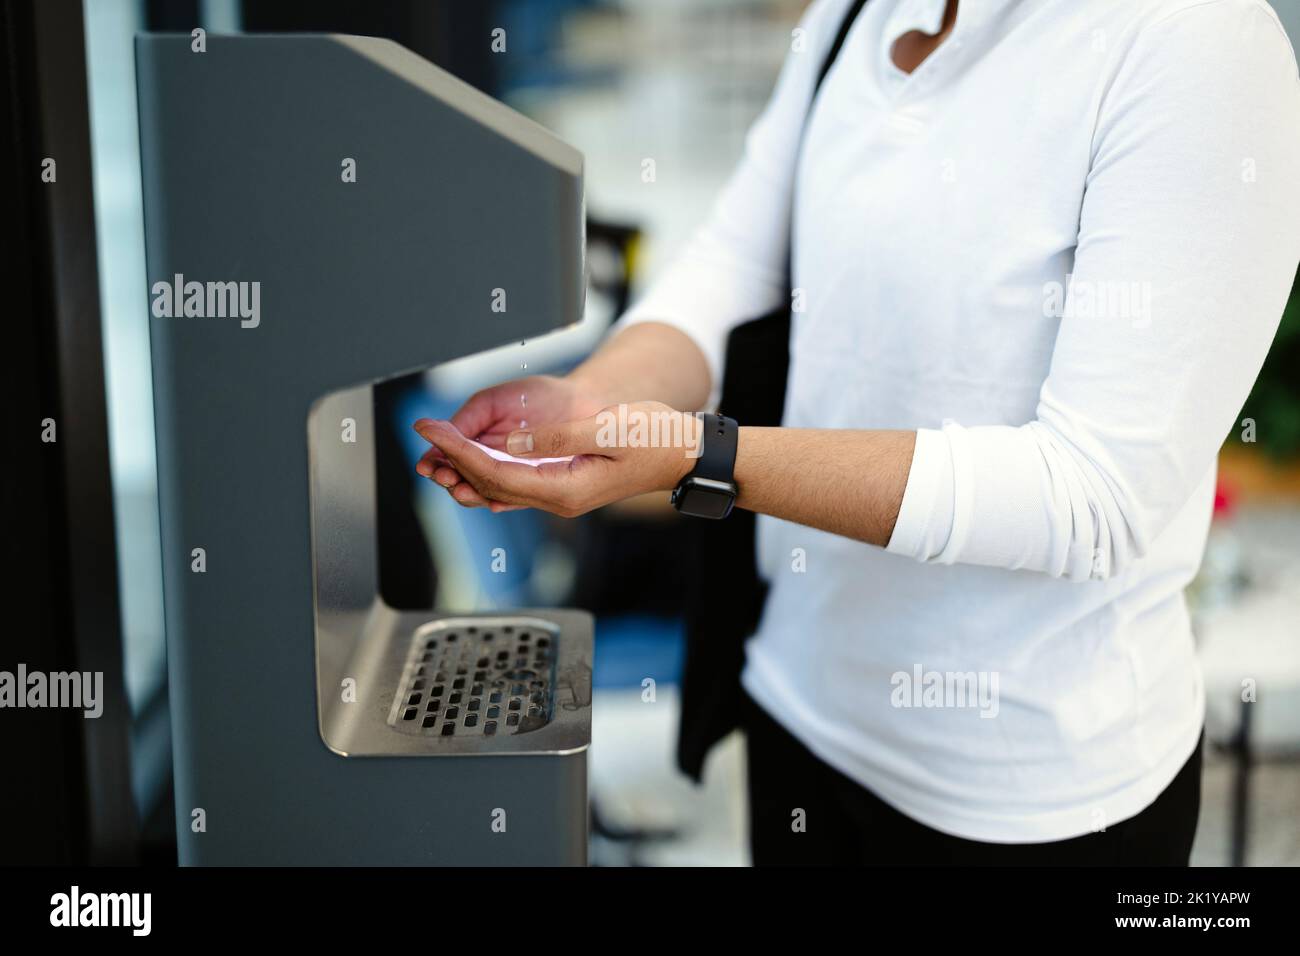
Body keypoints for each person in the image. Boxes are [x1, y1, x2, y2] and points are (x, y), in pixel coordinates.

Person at [413, 0, 1300, 864]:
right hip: (803, 712)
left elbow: (1092, 494)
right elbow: (737, 262)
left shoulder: (1198, 44)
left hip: (1030, 798)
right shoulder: (858, 13)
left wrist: (699, 456)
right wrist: (591, 401)